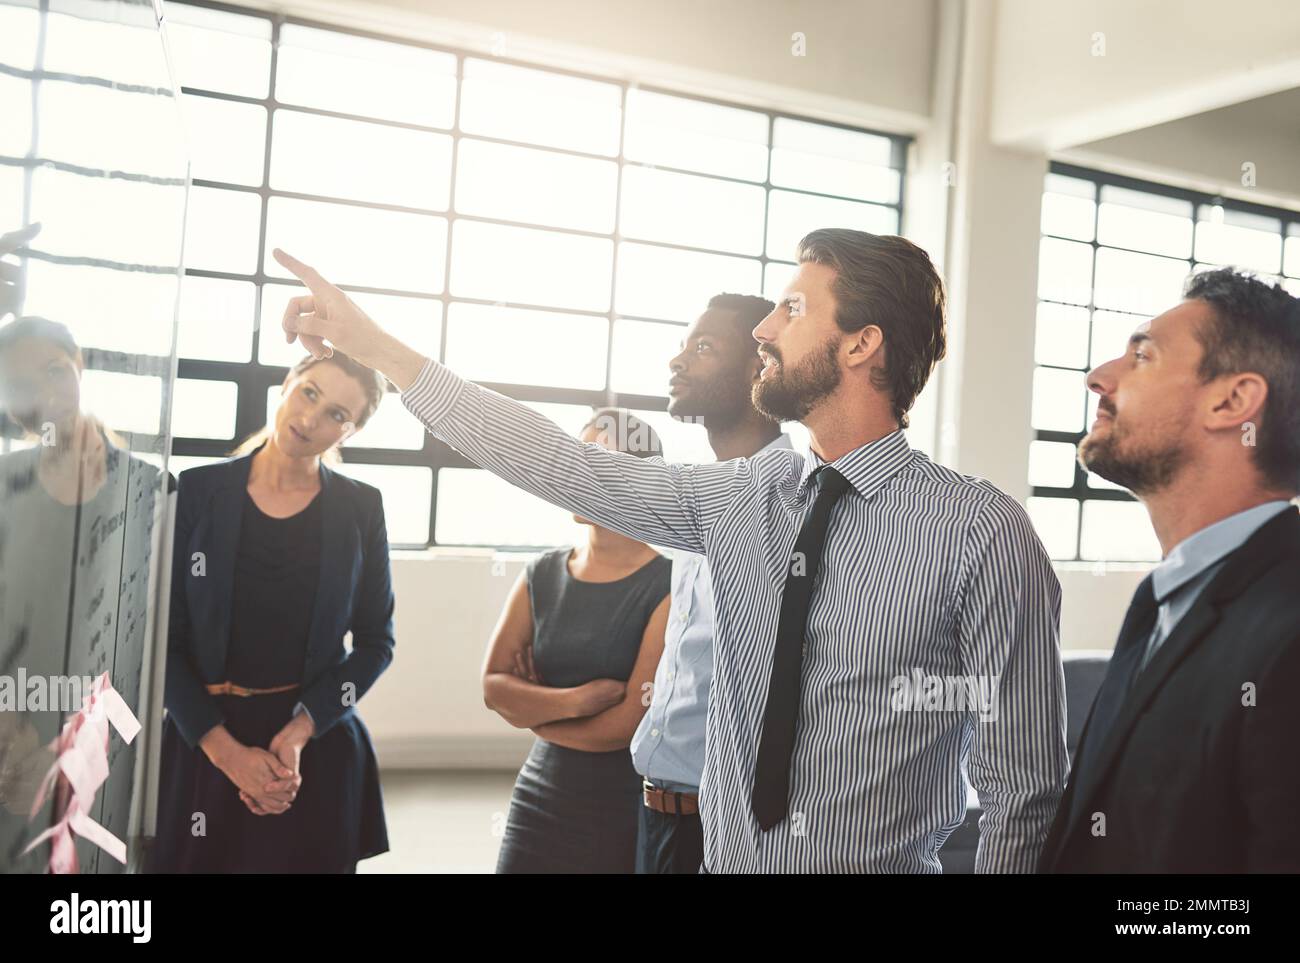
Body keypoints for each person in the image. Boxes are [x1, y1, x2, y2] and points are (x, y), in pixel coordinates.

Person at [270, 228, 1067, 874]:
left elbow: (1022, 791)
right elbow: (561, 463)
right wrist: (378, 349)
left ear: (862, 345)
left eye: (791, 308)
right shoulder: (742, 497)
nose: (763, 328)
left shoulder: (980, 534)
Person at [1039, 268, 1300, 873]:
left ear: (1232, 402)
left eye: (1143, 356)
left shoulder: (1288, 632)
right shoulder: (1168, 602)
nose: (1098, 377)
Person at [147, 351, 395, 873]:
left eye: (336, 415)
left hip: (314, 748)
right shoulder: (196, 491)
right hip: (205, 742)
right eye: (309, 393)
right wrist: (226, 754)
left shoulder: (361, 508)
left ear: (348, 433)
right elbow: (159, 639)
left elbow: (376, 642)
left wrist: (301, 730)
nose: (310, 420)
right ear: (287, 383)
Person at [632, 293, 790, 874]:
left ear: (760, 367)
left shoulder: (792, 502)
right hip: (658, 808)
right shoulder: (693, 495)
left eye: (702, 347)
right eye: (682, 346)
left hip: (725, 823)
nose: (677, 362)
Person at [0, 315, 163, 873]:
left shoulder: (150, 491)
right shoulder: (4, 485)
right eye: (22, 385)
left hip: (103, 740)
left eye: (54, 370)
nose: (45, 395)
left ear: (80, 365)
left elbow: (156, 641)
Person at [483, 408, 671, 873]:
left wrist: (533, 709)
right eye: (574, 457)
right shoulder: (543, 571)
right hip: (537, 794)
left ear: (637, 479)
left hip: (620, 809)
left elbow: (627, 725)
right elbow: (493, 688)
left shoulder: (668, 583)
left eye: (595, 459)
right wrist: (575, 700)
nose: (575, 472)